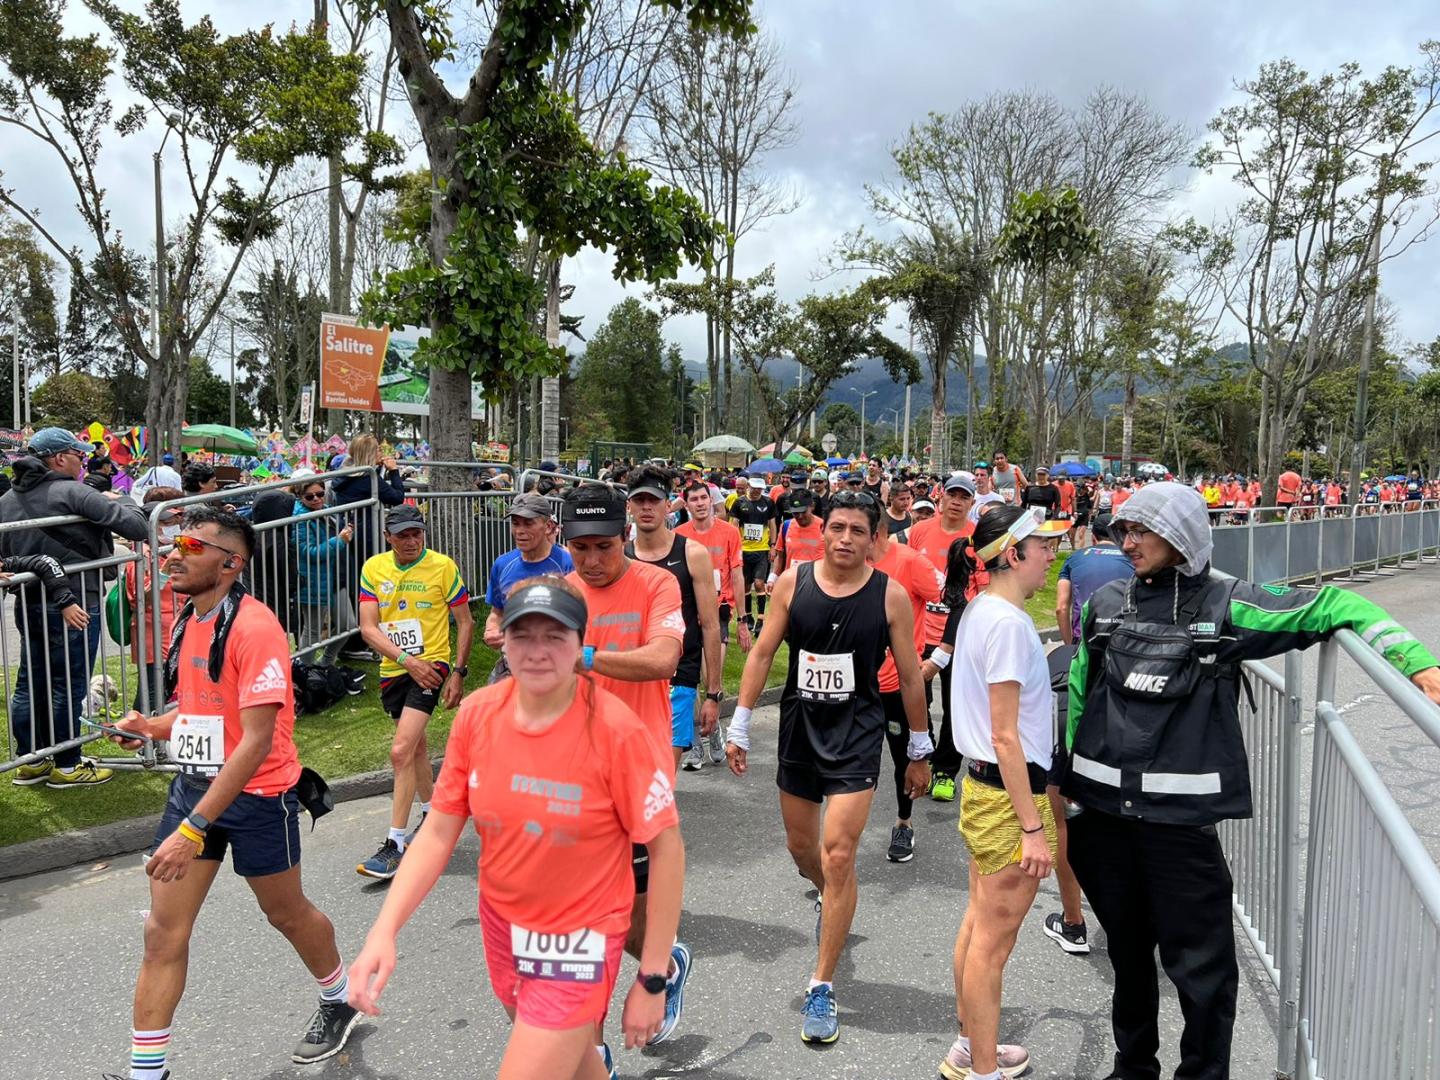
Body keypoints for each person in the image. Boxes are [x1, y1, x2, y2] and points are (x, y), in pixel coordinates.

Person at [1061, 481, 1440, 1080]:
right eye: (1123, 531)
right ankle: (1132, 1068)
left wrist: (1417, 663)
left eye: (1142, 531)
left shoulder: (1228, 603)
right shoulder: (1106, 602)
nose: (1127, 543)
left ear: (1181, 536)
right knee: (1127, 957)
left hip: (1179, 832)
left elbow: (1333, 606)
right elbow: (1081, 692)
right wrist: (1069, 794)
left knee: (1204, 974)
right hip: (1103, 822)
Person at [346, 575, 684, 1080]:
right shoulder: (478, 716)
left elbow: (667, 849)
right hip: (503, 925)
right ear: (504, 639)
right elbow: (439, 832)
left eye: (556, 635)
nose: (539, 651)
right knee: (574, 1064)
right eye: (524, 634)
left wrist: (653, 976)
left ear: (579, 644)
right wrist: (383, 931)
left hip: (580, 935)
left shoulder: (616, 730)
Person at [108, 506, 362, 1077]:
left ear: (230, 564)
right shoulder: (190, 620)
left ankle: (339, 995)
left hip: (259, 796)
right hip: (195, 788)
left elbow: (253, 741)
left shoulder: (256, 628)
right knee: (161, 933)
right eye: (175, 543)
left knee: (286, 913)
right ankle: (147, 1073)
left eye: (191, 547)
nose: (173, 554)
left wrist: (192, 830)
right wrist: (152, 727)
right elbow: (203, 712)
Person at [726, 490, 932, 1045]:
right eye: (836, 527)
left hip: (857, 732)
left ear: (874, 540)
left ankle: (822, 984)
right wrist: (740, 721)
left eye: (857, 530)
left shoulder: (889, 596)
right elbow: (764, 652)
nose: (844, 538)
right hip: (799, 726)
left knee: (839, 853)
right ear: (824, 531)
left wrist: (919, 746)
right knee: (803, 851)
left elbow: (911, 677)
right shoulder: (794, 581)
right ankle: (829, 893)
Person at [936, 504, 1069, 1080]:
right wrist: (1035, 829)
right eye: (1042, 545)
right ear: (1012, 554)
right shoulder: (1010, 625)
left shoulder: (982, 610)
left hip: (983, 789)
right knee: (993, 941)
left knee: (977, 925)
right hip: (1008, 796)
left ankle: (970, 1046)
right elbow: (1006, 736)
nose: (1051, 555)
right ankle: (982, 1069)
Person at [560, 484, 694, 1046]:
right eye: (580, 548)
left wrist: (583, 656)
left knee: (633, 924)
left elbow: (663, 658)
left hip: (640, 774)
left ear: (626, 538)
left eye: (604, 547)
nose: (591, 562)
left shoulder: (656, 583)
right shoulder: (557, 594)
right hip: (572, 775)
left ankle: (664, 963)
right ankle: (588, 1053)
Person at [1, 427, 150, 788]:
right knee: (69, 684)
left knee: (30, 682)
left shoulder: (6, 499)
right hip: (75, 602)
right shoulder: (74, 492)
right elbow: (138, 526)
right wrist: (120, 499)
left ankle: (30, 758)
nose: (83, 461)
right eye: (78, 455)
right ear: (59, 458)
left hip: (30, 601)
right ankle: (67, 765)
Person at [354, 506, 474, 880]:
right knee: (417, 749)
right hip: (397, 667)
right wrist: (406, 660)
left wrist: (457, 672)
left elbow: (465, 622)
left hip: (432, 665)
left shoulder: (442, 567)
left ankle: (394, 844)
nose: (411, 541)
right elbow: (368, 628)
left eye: (416, 533)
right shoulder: (374, 568)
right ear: (388, 536)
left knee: (401, 750)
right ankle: (435, 815)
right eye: (403, 535)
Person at [625, 469, 723, 774]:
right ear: (629, 506)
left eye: (653, 500)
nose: (646, 508)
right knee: (634, 772)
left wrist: (713, 695)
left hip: (680, 674)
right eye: (639, 501)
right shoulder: (622, 557)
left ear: (668, 505)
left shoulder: (693, 553)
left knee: (663, 777)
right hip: (635, 675)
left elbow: (710, 625)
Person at [869, 511, 944, 863]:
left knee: (905, 759)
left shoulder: (911, 562)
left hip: (898, 685)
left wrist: (939, 655)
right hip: (856, 686)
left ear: (879, 531)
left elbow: (947, 600)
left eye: (859, 531)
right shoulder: (843, 566)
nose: (846, 540)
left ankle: (904, 823)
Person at [907, 474, 981, 802]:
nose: (956, 501)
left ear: (971, 502)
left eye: (963, 496)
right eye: (952, 493)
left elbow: (983, 589)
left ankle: (946, 771)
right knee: (918, 698)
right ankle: (924, 752)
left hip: (959, 634)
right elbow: (908, 573)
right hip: (920, 633)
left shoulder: (977, 538)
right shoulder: (921, 530)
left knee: (955, 705)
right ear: (942, 497)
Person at [674, 477, 752, 768]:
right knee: (688, 680)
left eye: (703, 499)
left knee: (711, 677)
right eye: (693, 500)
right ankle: (696, 742)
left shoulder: (729, 533)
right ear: (687, 504)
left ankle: (714, 725)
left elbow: (738, 574)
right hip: (687, 614)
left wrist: (743, 619)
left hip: (719, 610)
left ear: (711, 500)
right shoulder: (679, 535)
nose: (700, 504)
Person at [481, 493, 574, 682]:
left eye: (528, 523)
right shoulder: (503, 564)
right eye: (515, 523)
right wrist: (491, 630)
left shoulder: (567, 564)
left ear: (548, 526)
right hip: (511, 664)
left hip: (556, 666)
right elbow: (497, 612)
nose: (520, 531)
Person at [332, 434, 407, 660]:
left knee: (357, 585)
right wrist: (393, 471)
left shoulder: (344, 476)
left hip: (350, 535)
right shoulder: (367, 479)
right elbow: (397, 497)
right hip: (365, 539)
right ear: (368, 454)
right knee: (368, 588)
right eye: (377, 451)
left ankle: (354, 637)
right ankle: (362, 638)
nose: (381, 455)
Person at [124, 488, 186, 713]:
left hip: (177, 632)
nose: (178, 522)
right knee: (151, 692)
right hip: (154, 636)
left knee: (169, 690)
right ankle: (143, 741)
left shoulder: (177, 548)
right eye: (171, 518)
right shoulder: (141, 554)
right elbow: (141, 598)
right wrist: (165, 571)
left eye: (180, 517)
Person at [293, 477, 355, 667]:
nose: (316, 499)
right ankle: (305, 673)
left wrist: (345, 533)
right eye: (310, 497)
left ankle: (324, 664)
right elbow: (308, 553)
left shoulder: (328, 510)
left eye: (320, 494)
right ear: (299, 497)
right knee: (312, 630)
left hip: (336, 576)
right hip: (314, 580)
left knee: (349, 625)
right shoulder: (300, 520)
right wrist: (339, 541)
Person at [730, 477, 778, 636]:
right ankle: (748, 617)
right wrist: (734, 548)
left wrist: (773, 545)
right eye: (755, 488)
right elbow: (733, 526)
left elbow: (772, 524)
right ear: (748, 486)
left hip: (761, 550)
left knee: (758, 583)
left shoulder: (768, 503)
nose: (757, 491)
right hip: (743, 550)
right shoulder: (739, 503)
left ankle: (761, 620)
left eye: (760, 488)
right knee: (745, 585)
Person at [769, 489, 823, 587]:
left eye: (803, 511)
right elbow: (780, 557)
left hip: (816, 586)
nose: (800, 516)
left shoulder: (825, 527)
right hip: (791, 585)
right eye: (796, 513)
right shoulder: (786, 526)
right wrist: (772, 579)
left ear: (812, 506)